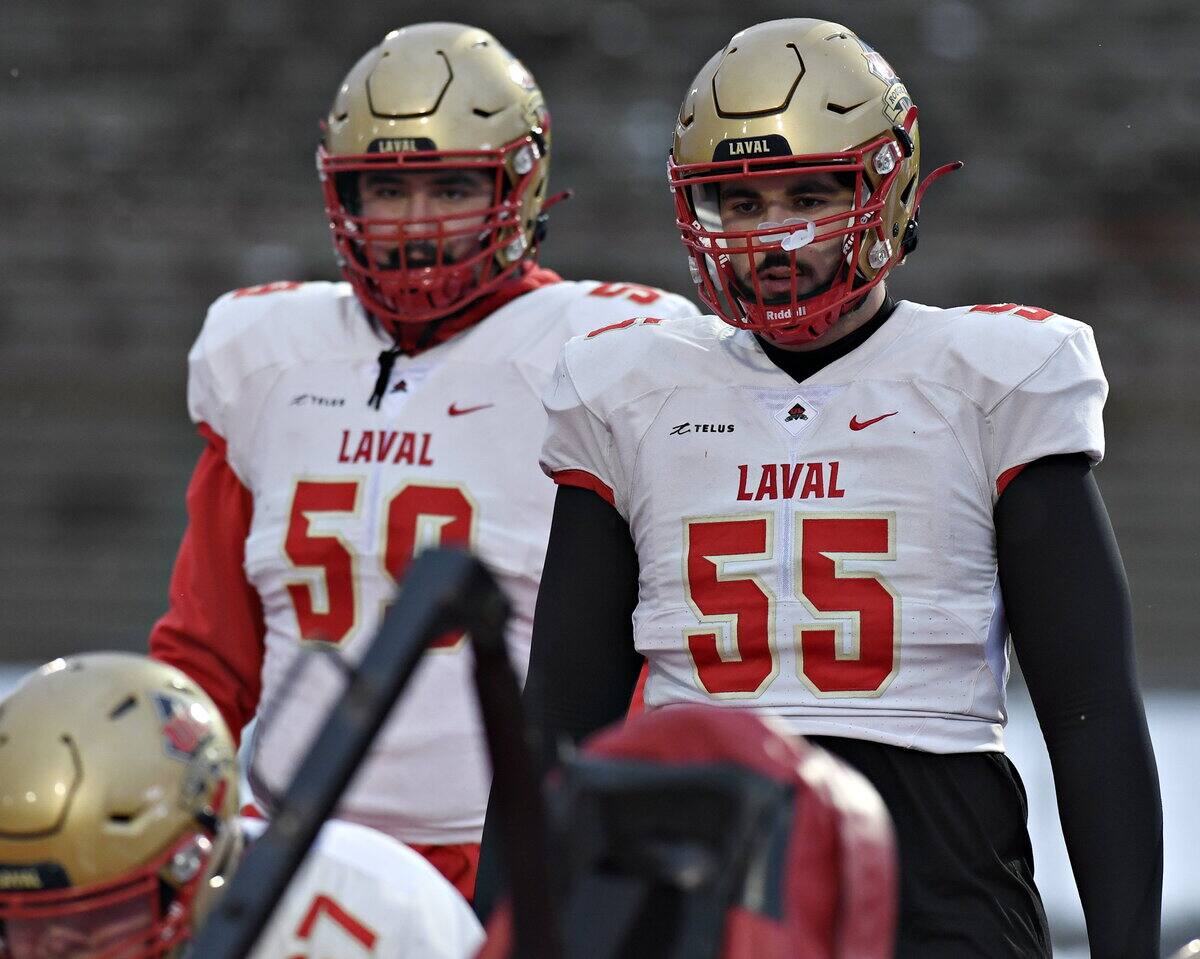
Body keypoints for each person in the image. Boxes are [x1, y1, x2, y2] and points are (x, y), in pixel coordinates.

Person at [495, 18, 1162, 958]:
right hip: (687, 842)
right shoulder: (632, 389)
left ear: (886, 186)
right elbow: (561, 718)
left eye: (811, 193)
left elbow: (1088, 705)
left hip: (932, 843)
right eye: (743, 201)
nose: (778, 236)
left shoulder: (989, 376)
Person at [148, 21, 698, 902]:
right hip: (289, 852)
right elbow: (208, 652)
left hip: (508, 853)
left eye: (449, 186)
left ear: (521, 187)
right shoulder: (270, 355)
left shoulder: (598, 354)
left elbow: (654, 644)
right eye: (384, 190)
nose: (413, 224)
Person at [0, 653, 484, 959]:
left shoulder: (375, 905)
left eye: (91, 922)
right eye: (19, 924)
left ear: (194, 859)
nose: (44, 947)